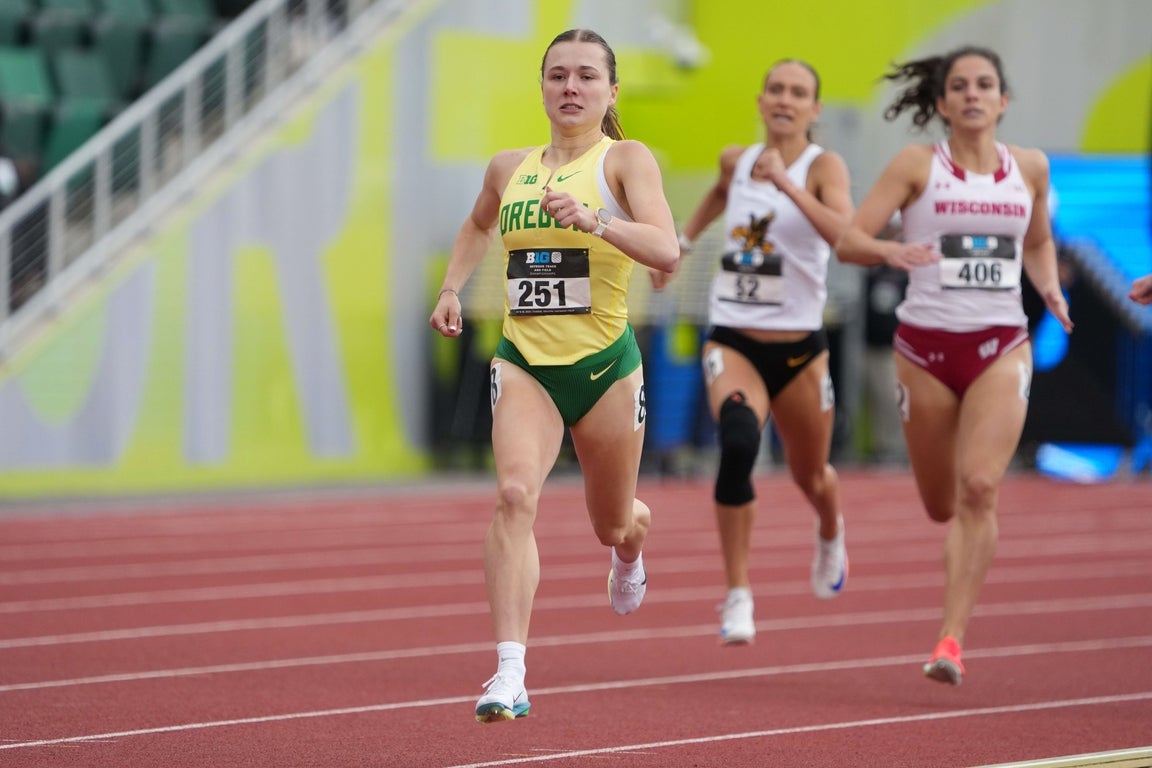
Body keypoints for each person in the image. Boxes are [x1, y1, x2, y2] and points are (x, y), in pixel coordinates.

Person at [429, 29, 679, 722]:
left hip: (604, 370)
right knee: (513, 495)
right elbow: (479, 227)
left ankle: (631, 545)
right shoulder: (508, 167)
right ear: (541, 87)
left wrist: (597, 220)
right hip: (525, 361)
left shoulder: (625, 159)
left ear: (611, 91)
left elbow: (665, 247)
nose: (571, 87)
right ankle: (510, 671)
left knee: (611, 523)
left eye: (587, 76)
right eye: (558, 75)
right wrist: (453, 288)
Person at [835, 45, 1073, 685]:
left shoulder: (1030, 167)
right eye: (959, 86)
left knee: (979, 488)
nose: (972, 94)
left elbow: (1040, 240)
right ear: (941, 103)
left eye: (985, 84)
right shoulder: (918, 164)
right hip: (926, 351)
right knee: (942, 502)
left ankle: (951, 640)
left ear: (1003, 101)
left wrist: (1048, 287)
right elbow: (850, 239)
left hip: (1001, 343)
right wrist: (892, 251)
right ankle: (951, 605)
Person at [652, 59, 853, 645]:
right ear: (762, 100)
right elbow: (719, 193)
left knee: (810, 473)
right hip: (734, 336)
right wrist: (682, 245)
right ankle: (738, 593)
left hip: (799, 351)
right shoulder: (735, 160)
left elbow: (843, 234)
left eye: (799, 93)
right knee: (738, 442)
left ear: (814, 109)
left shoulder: (824, 167)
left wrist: (786, 184)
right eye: (776, 90)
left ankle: (831, 529)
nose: (785, 100)